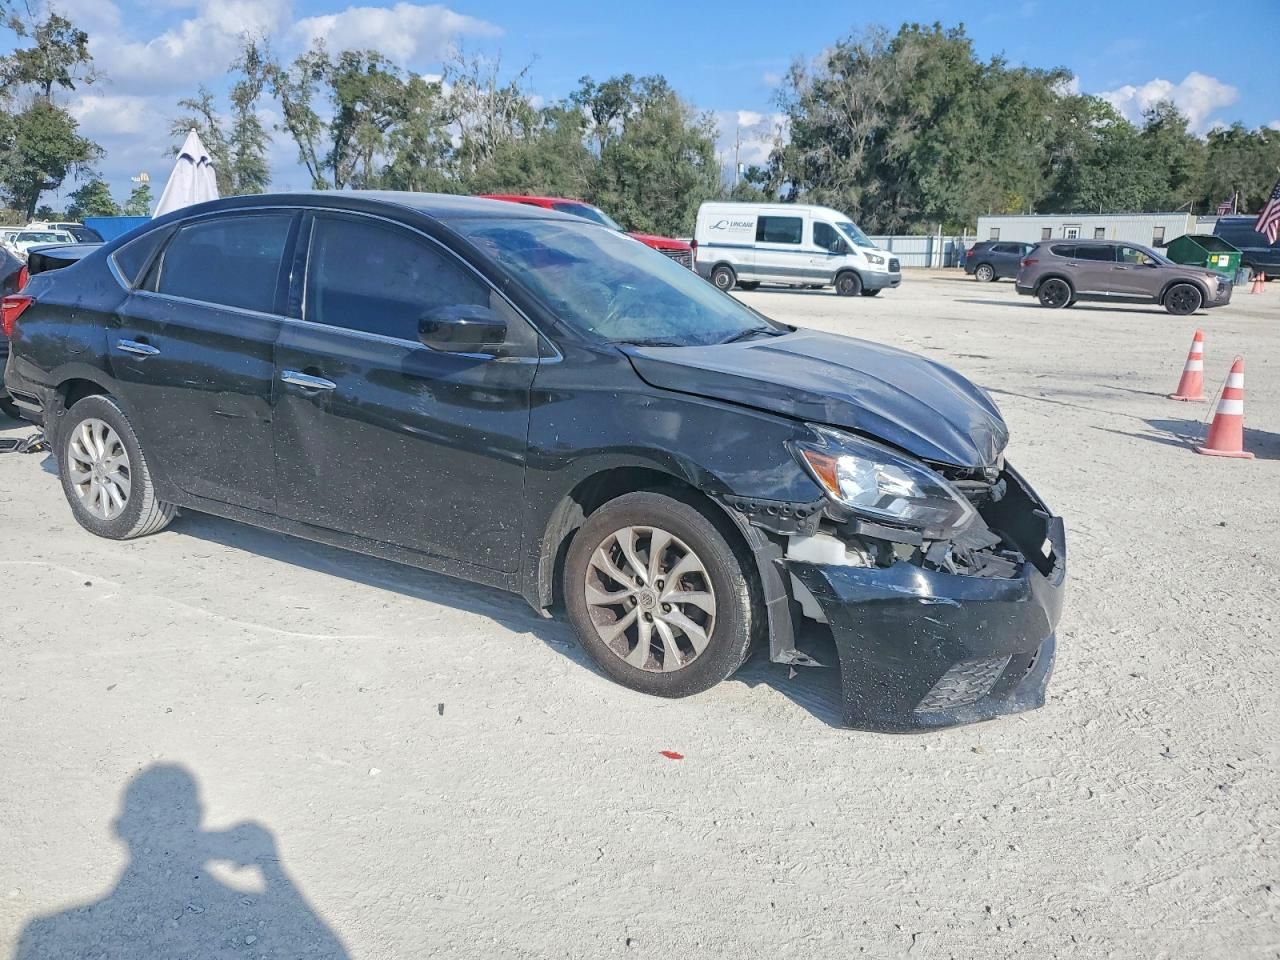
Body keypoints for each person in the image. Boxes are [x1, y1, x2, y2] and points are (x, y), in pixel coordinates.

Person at [13, 765, 348, 959]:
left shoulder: (46, 931)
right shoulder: (265, 912)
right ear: (199, 818)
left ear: (121, 829)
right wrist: (272, 869)